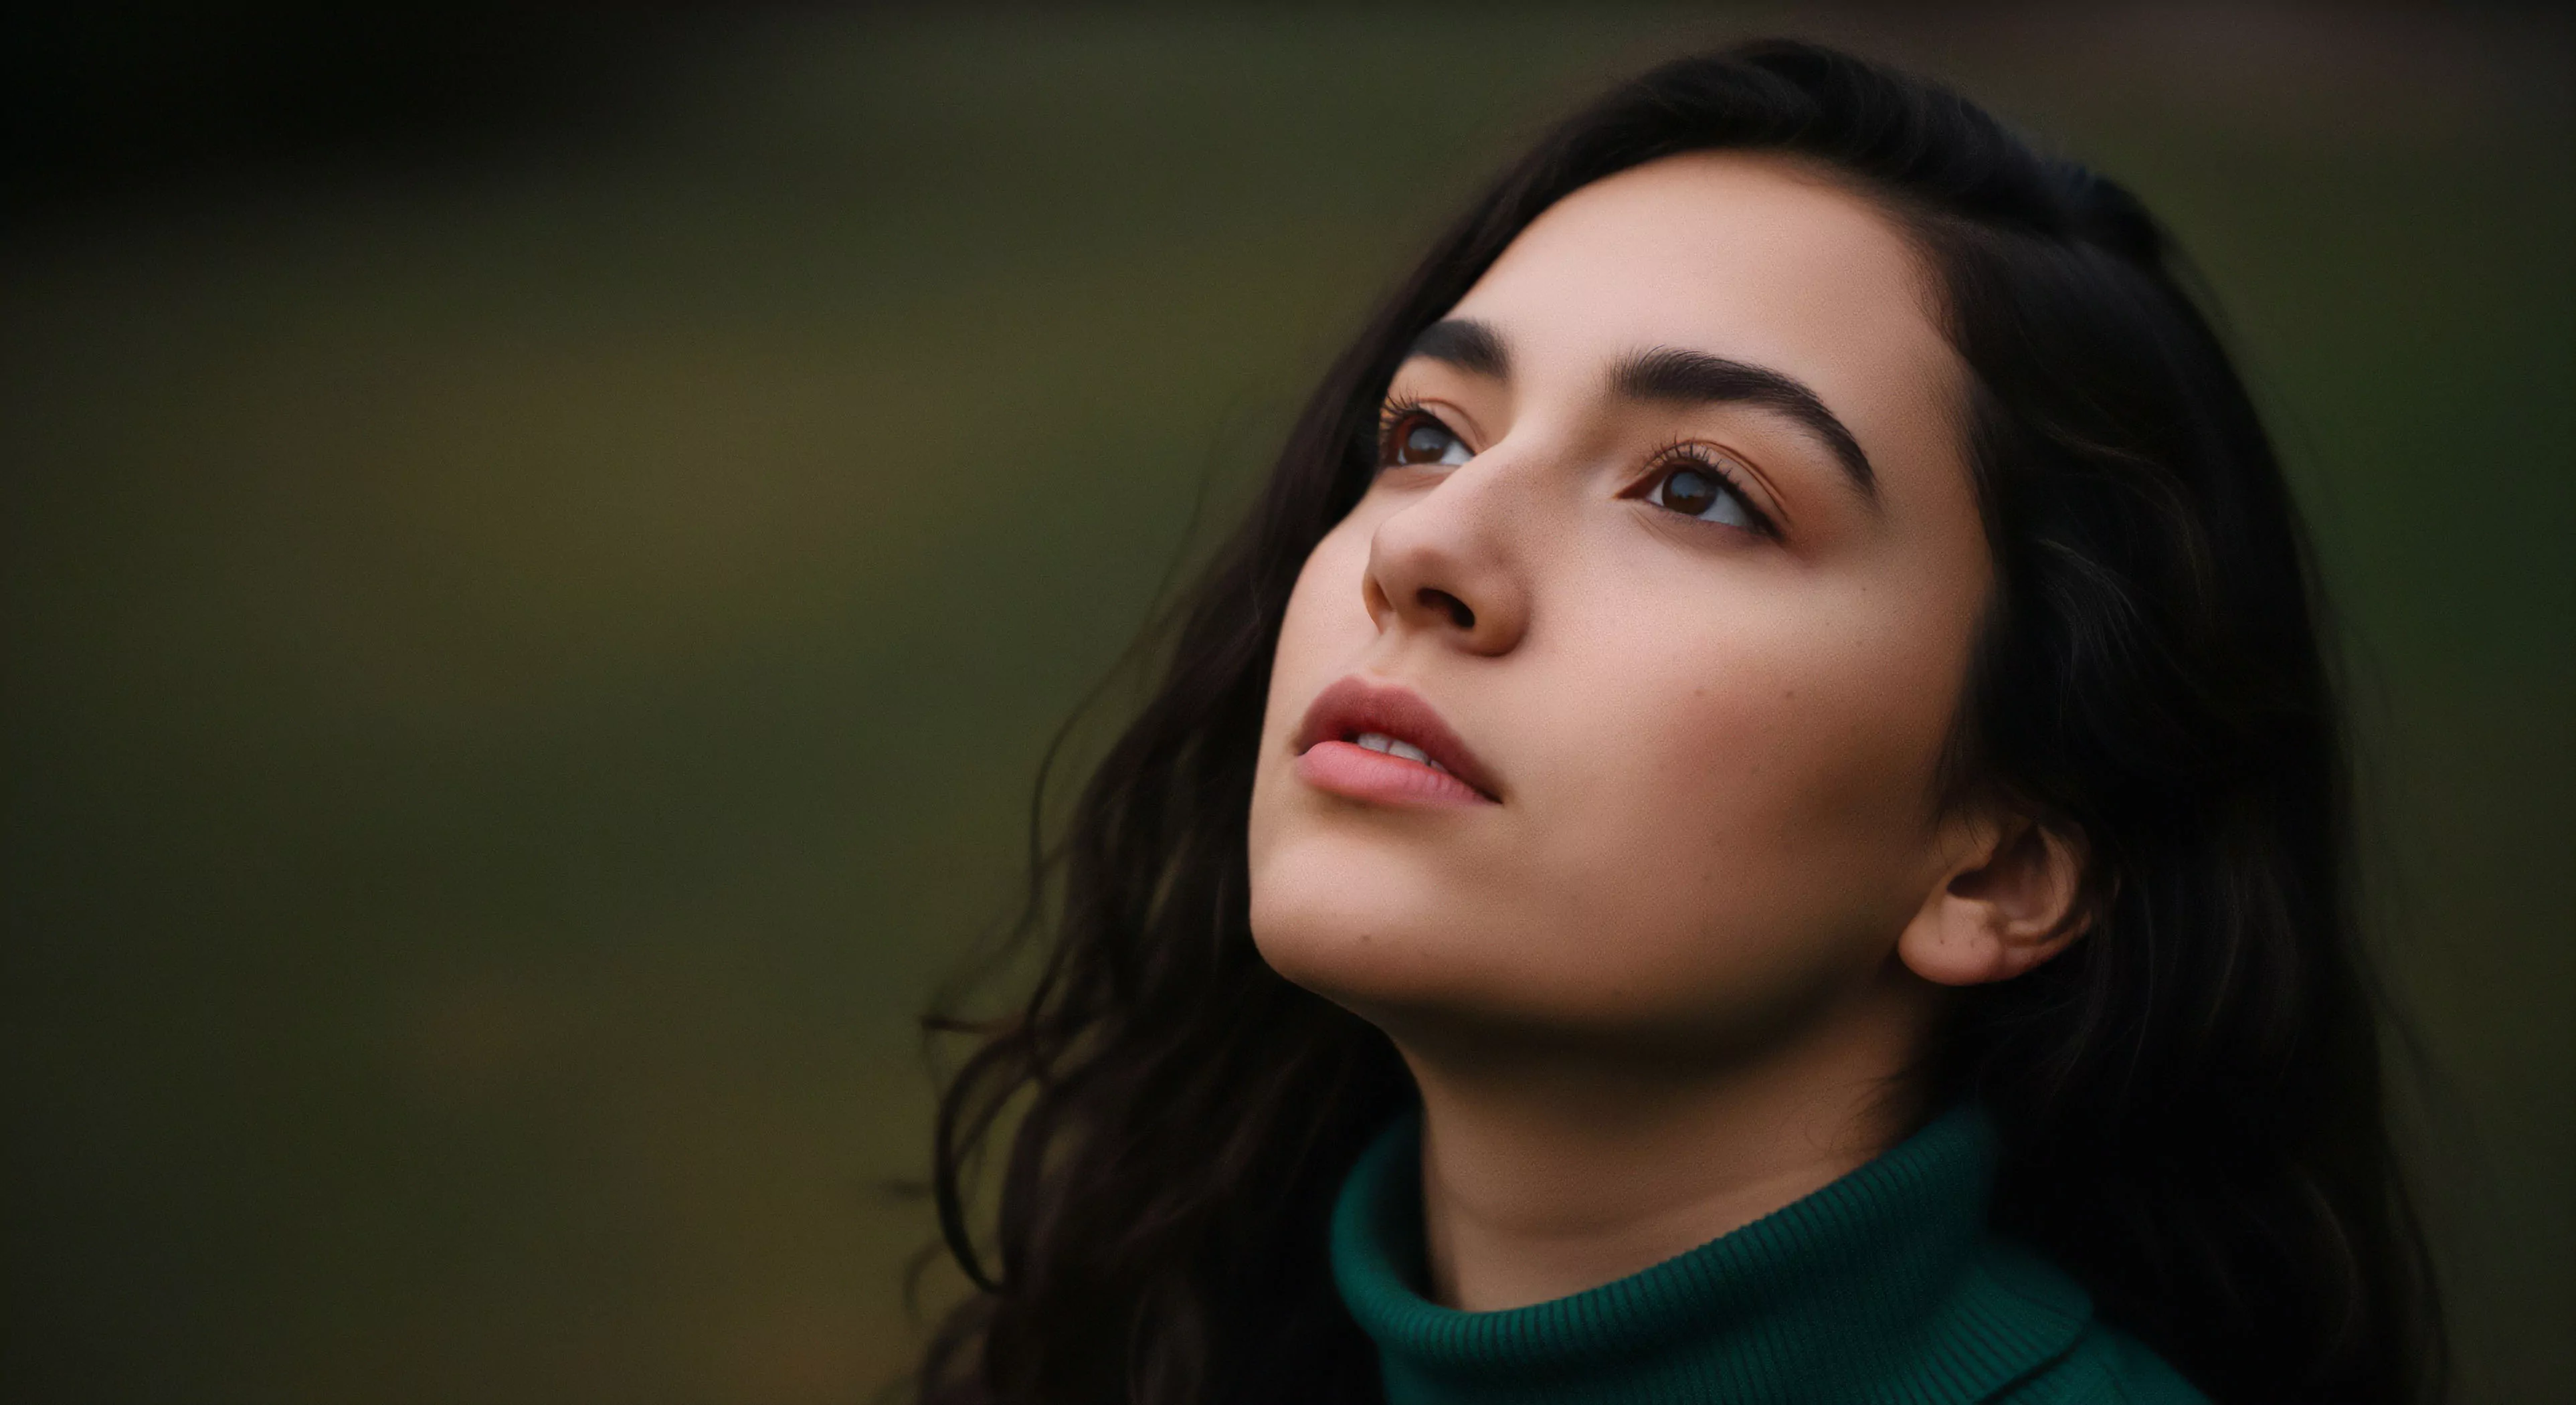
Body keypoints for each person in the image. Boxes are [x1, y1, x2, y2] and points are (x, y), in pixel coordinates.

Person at [915, 39, 2444, 1405]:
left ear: (2000, 867)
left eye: (1698, 490)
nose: (1425, 547)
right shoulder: (1168, 1347)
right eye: (1426, 434)